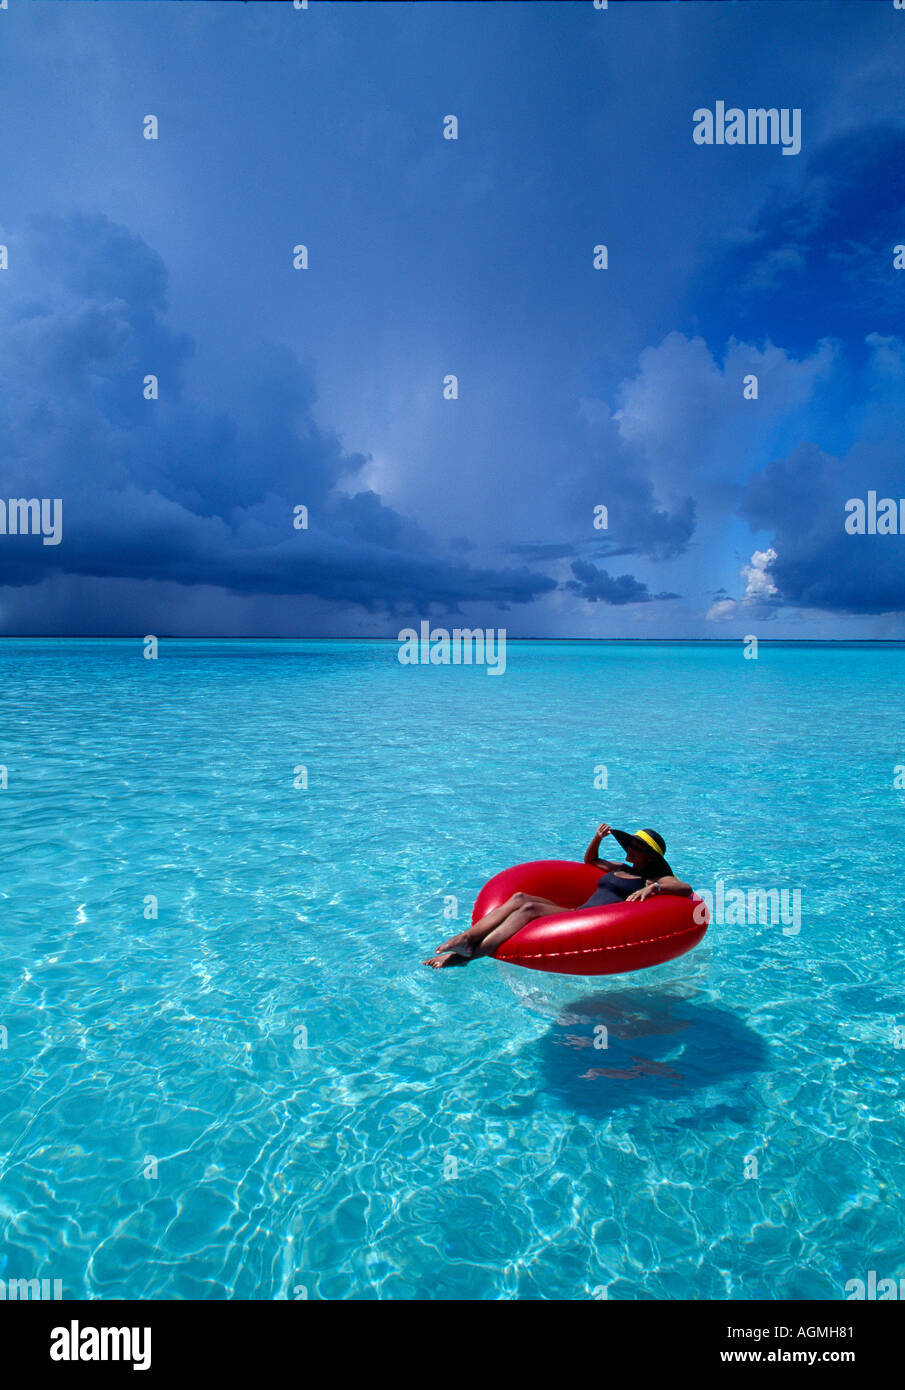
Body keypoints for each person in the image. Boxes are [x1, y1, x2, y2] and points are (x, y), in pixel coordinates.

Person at [424, 821, 693, 969]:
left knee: (529, 911)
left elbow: (684, 888)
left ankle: (467, 954)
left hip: (592, 922)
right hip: (578, 913)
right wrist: (597, 838)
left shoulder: (652, 879)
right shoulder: (621, 868)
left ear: (650, 855)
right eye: (630, 844)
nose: (630, 849)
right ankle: (467, 937)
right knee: (519, 898)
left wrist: (654, 887)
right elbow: (592, 861)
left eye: (637, 847)